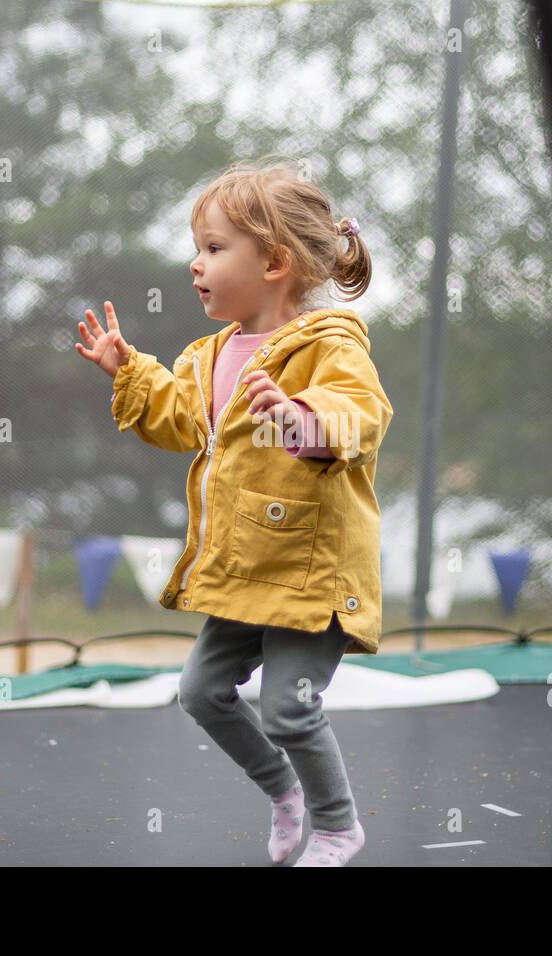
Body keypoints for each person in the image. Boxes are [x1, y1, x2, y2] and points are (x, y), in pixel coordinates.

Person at [74, 159, 393, 866]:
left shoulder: (329, 343)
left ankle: (338, 827)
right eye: (199, 248)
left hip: (311, 572)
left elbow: (361, 414)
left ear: (275, 261)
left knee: (287, 707)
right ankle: (284, 791)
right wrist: (129, 369)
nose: (196, 264)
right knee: (201, 692)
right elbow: (179, 418)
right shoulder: (211, 355)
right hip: (246, 568)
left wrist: (300, 416)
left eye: (214, 248)